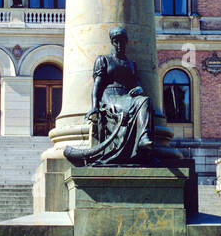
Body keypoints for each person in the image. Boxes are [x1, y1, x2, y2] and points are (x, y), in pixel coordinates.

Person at [63, 26, 157, 166]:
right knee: (129, 107)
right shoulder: (104, 60)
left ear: (126, 43)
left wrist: (138, 90)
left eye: (122, 42)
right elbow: (97, 85)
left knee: (145, 101)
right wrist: (94, 106)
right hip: (110, 96)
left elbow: (138, 85)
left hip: (127, 95)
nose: (119, 45)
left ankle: (143, 139)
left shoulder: (132, 64)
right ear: (112, 42)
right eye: (116, 41)